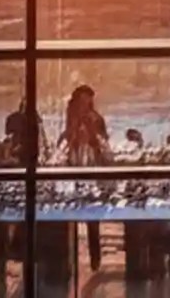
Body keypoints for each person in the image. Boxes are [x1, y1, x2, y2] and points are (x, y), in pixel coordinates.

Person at [0, 98, 44, 281]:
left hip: (16, 185)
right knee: (7, 225)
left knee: (8, 225)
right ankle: (4, 262)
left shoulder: (25, 141)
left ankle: (5, 262)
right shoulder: (12, 143)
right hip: (13, 184)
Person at [59, 84, 110, 271]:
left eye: (86, 102)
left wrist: (92, 137)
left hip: (91, 170)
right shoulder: (71, 120)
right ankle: (67, 259)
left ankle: (94, 258)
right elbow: (66, 143)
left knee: (92, 216)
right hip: (73, 169)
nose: (83, 106)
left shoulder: (96, 120)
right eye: (80, 102)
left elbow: (104, 146)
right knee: (66, 214)